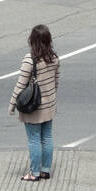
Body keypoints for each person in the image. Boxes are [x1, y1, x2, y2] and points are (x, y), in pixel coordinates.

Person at [8, 24, 60, 182]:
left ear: (32, 40)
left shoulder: (30, 59)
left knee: (34, 139)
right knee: (47, 137)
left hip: (34, 107)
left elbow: (21, 84)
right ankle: (45, 170)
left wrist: (12, 104)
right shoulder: (54, 58)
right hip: (49, 105)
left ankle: (34, 173)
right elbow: (56, 81)